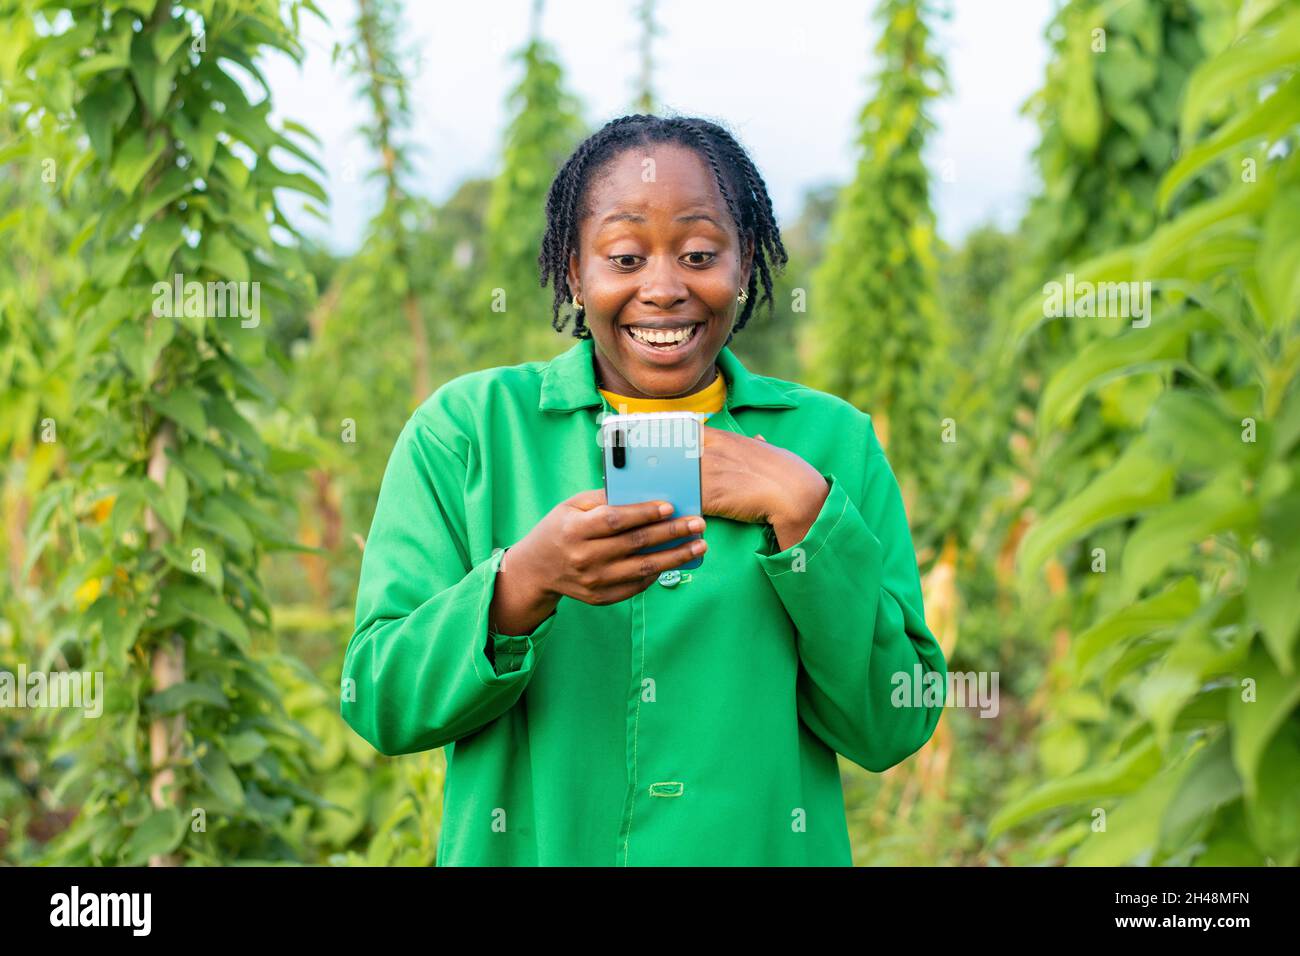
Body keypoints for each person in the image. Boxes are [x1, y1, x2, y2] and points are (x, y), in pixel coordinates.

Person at [341, 113, 947, 866]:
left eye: (699, 253)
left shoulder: (830, 444)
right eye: (624, 257)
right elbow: (378, 699)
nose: (663, 289)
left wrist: (803, 514)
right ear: (573, 269)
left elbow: (891, 725)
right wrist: (520, 585)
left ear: (744, 261)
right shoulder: (469, 432)